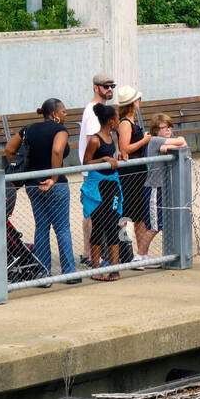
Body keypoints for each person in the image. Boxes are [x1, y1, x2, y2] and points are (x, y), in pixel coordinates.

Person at [4, 98, 76, 280]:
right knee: (62, 229)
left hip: (33, 185)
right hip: (55, 185)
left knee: (41, 227)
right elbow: (58, 151)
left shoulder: (28, 129)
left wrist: (26, 170)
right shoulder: (60, 129)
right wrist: (53, 177)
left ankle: (43, 272)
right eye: (63, 112)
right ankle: (69, 273)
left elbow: (9, 149)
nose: (65, 115)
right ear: (54, 115)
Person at [79, 73, 117, 263]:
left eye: (112, 86)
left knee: (99, 212)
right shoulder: (94, 111)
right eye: (106, 86)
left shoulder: (100, 109)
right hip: (95, 173)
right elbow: (91, 142)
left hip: (101, 172)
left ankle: (93, 253)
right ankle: (90, 254)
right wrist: (101, 160)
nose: (110, 89)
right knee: (93, 212)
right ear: (96, 87)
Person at [82, 103, 123, 279]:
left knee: (113, 225)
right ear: (111, 121)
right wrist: (104, 158)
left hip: (112, 185)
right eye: (118, 118)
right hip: (98, 187)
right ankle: (96, 269)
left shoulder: (111, 137)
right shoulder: (95, 140)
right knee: (99, 226)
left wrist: (116, 157)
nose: (119, 121)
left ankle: (114, 268)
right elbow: (86, 162)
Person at [114, 86, 155, 261]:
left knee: (140, 215)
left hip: (138, 171)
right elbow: (125, 148)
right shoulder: (125, 123)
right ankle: (124, 253)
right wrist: (145, 140)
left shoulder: (132, 121)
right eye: (138, 100)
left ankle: (141, 253)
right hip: (130, 173)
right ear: (132, 103)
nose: (140, 102)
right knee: (127, 213)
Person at [140, 114, 188, 262]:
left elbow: (184, 143)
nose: (168, 130)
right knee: (154, 226)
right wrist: (173, 144)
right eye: (163, 127)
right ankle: (140, 256)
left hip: (166, 189)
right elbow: (181, 141)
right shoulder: (154, 140)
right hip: (155, 187)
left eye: (169, 127)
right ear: (155, 130)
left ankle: (167, 254)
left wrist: (169, 146)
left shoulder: (163, 141)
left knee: (166, 223)